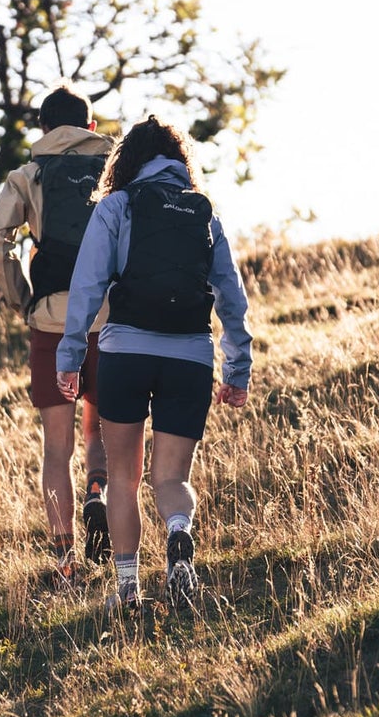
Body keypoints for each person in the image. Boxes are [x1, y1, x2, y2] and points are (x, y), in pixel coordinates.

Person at [56, 116, 252, 613]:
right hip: (189, 355)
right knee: (171, 478)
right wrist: (237, 369)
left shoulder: (116, 206)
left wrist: (71, 356)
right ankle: (179, 533)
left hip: (125, 354)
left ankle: (128, 589)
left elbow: (86, 288)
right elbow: (232, 298)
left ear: (127, 162)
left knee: (123, 478)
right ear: (180, 161)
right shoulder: (203, 212)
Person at [0, 85, 115, 585]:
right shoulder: (114, 169)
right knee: (103, 429)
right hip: (110, 319)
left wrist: (22, 300)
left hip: (52, 321)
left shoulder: (27, 175)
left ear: (43, 128)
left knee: (57, 447)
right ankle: (98, 492)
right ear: (90, 127)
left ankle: (65, 561)